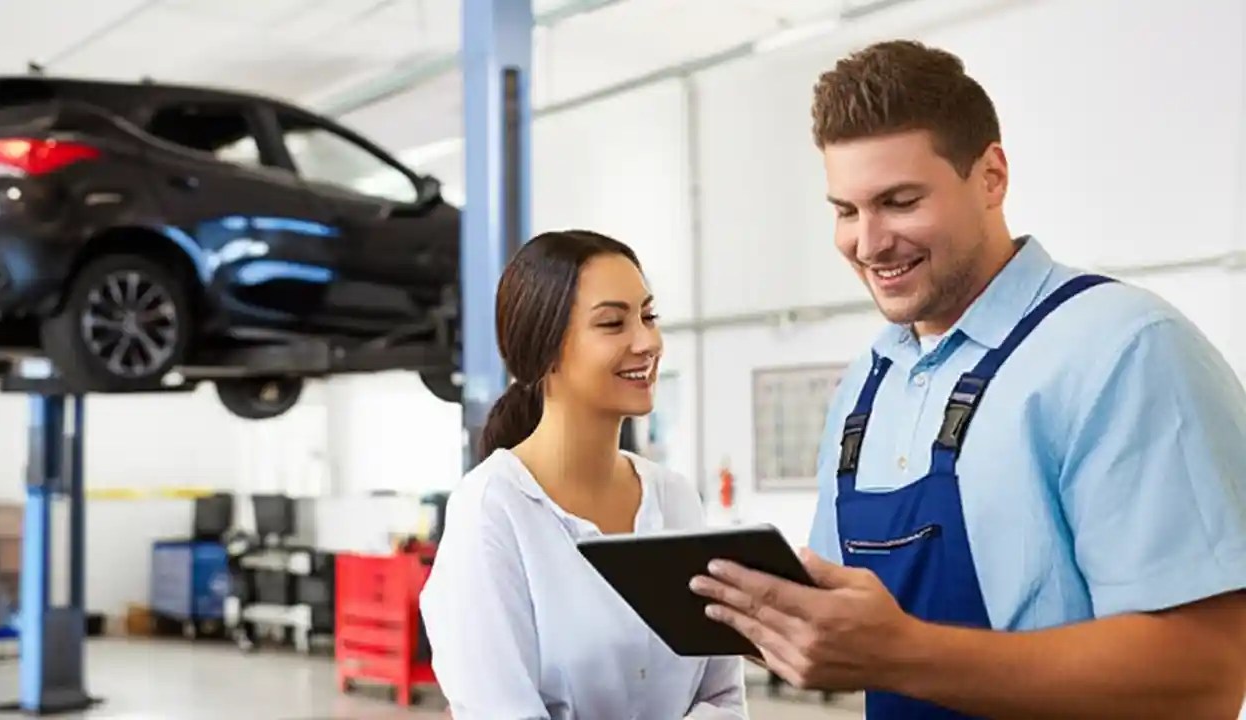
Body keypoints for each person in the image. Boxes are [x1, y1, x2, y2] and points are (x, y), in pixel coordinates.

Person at [690, 39, 1246, 719]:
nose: (868, 244)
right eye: (845, 210)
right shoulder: (869, 383)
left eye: (898, 201)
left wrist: (903, 654)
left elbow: (1206, 677)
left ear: (991, 177)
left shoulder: (1122, 350)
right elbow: (846, 622)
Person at [420, 230, 746, 719]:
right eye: (613, 323)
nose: (648, 341)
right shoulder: (492, 508)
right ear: (545, 350)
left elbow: (723, 698)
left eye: (648, 316)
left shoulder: (675, 499)